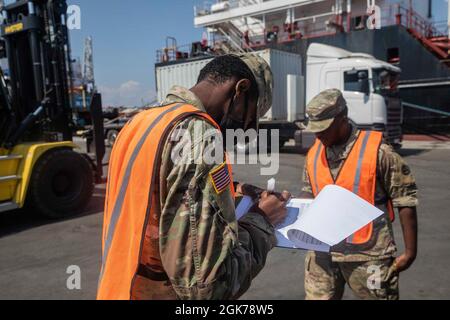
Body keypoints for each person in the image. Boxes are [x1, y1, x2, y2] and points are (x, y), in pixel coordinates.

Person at [97, 54, 290, 300]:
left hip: (120, 289)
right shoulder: (199, 134)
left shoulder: (141, 122)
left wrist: (233, 189)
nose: (244, 130)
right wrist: (262, 219)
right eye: (250, 118)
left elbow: (156, 190)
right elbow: (205, 288)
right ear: (240, 89)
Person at [301, 89, 418, 300]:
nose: (318, 135)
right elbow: (309, 192)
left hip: (369, 254)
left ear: (342, 119)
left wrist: (410, 252)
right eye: (315, 129)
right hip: (322, 254)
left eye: (324, 128)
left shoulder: (378, 152)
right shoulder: (314, 153)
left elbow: (405, 200)